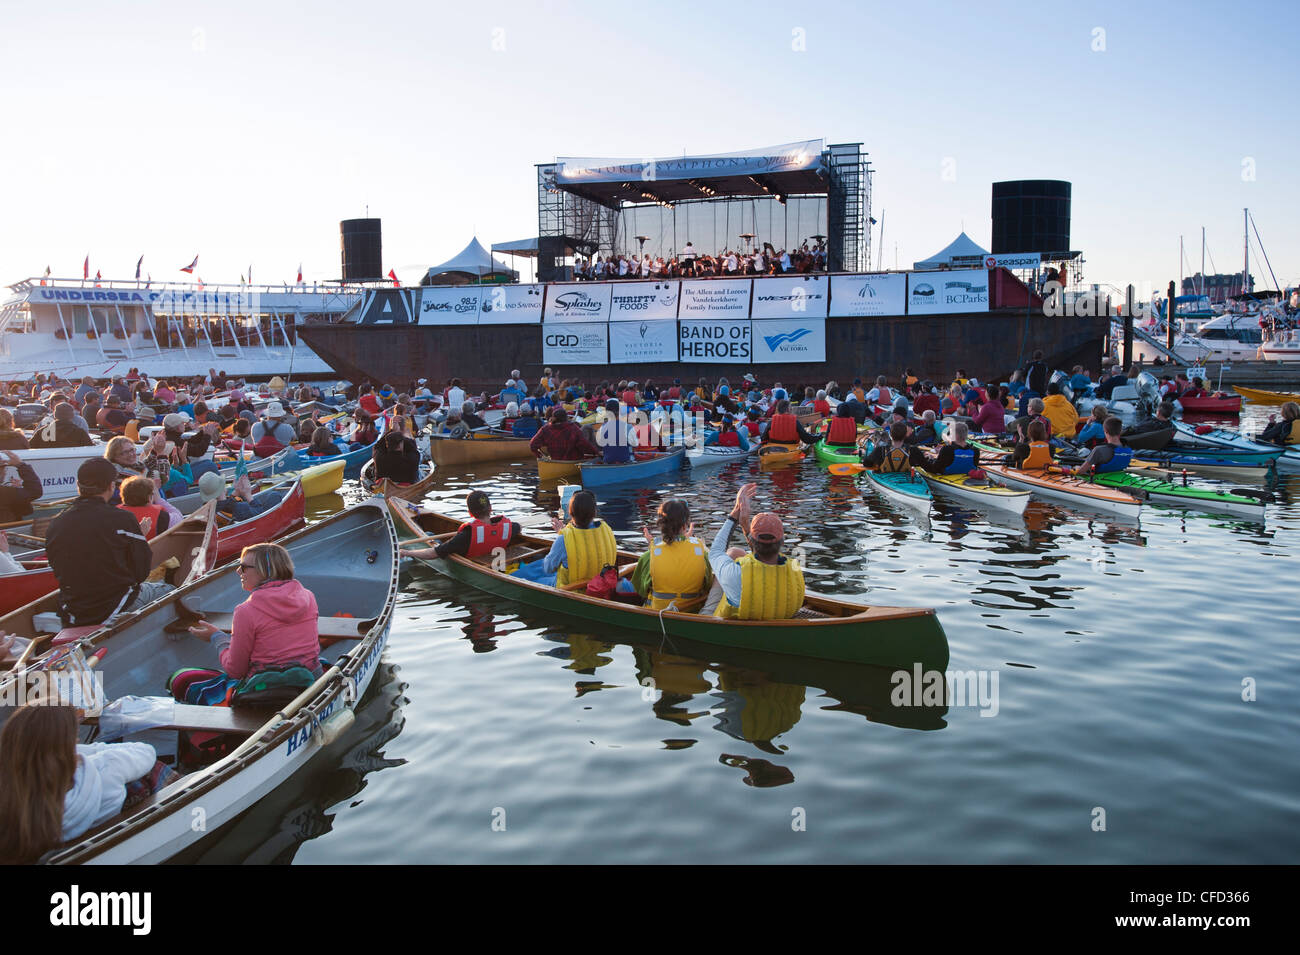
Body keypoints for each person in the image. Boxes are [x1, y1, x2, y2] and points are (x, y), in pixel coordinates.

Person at [0, 704, 175, 863]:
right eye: (75, 738)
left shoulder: (10, 794)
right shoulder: (104, 769)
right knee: (147, 776)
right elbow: (146, 752)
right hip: (105, 838)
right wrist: (84, 751)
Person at [46, 457, 171, 626]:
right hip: (115, 605)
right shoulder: (122, 520)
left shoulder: (56, 523)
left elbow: (57, 567)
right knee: (171, 590)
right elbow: (141, 573)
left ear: (78, 486)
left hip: (72, 610)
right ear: (112, 487)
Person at [184, 543, 323, 682]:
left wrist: (217, 637)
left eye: (243, 567)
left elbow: (235, 671)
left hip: (269, 688)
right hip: (311, 680)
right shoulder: (309, 596)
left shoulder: (245, 611)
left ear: (264, 571)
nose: (238, 571)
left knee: (181, 679)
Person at [705, 483, 804, 620]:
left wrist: (735, 513)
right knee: (736, 552)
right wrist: (745, 525)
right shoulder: (795, 570)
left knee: (731, 554)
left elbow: (715, 552)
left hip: (736, 631)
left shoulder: (735, 574)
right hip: (777, 625)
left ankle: (705, 613)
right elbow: (760, 559)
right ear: (782, 542)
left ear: (753, 541)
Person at [631, 499, 712, 613]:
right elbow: (708, 584)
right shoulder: (702, 553)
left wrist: (653, 549)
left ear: (661, 525)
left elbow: (639, 589)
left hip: (659, 613)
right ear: (685, 525)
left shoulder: (649, 556)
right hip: (692, 613)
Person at [401, 490, 520, 562]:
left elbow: (433, 553)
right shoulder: (509, 528)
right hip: (497, 563)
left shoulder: (466, 536)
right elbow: (518, 527)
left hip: (475, 559)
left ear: (470, 513)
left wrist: (407, 552)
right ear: (490, 508)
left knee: (430, 535)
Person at [543, 489, 616, 588]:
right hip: (602, 588)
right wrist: (566, 532)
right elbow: (586, 541)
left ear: (570, 512)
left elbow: (548, 568)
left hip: (572, 591)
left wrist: (564, 534)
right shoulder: (607, 529)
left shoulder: (563, 539)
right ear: (594, 512)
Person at [198, 471, 287, 523]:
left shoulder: (205, 509)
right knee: (274, 495)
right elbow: (259, 513)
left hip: (233, 519)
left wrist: (236, 492)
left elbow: (224, 504)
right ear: (222, 489)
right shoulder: (240, 508)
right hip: (259, 522)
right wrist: (248, 494)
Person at [1064, 417, 1133, 476]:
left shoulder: (1099, 450)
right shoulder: (1128, 450)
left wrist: (1076, 468)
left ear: (1105, 431)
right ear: (1120, 431)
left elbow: (1081, 472)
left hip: (1099, 481)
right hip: (1117, 478)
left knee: (1072, 466)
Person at [529, 407, 598, 461]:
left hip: (555, 460)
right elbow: (584, 445)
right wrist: (596, 453)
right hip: (572, 461)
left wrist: (540, 456)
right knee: (587, 427)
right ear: (566, 418)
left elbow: (532, 445)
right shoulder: (573, 428)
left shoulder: (545, 429)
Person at [117, 475, 170, 539]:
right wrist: (158, 498)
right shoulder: (162, 515)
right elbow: (178, 517)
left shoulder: (113, 514)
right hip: (150, 547)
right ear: (149, 497)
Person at [0, 450, 42, 523]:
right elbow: (35, 491)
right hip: (9, 532)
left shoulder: (8, 492)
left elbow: (26, 510)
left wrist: (18, 491)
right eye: (4, 468)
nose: (5, 472)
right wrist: (21, 465)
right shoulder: (6, 493)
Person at [29, 402, 94, 449]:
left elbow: (28, 447)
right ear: (72, 416)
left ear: (54, 415)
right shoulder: (80, 433)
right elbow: (90, 450)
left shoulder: (43, 432)